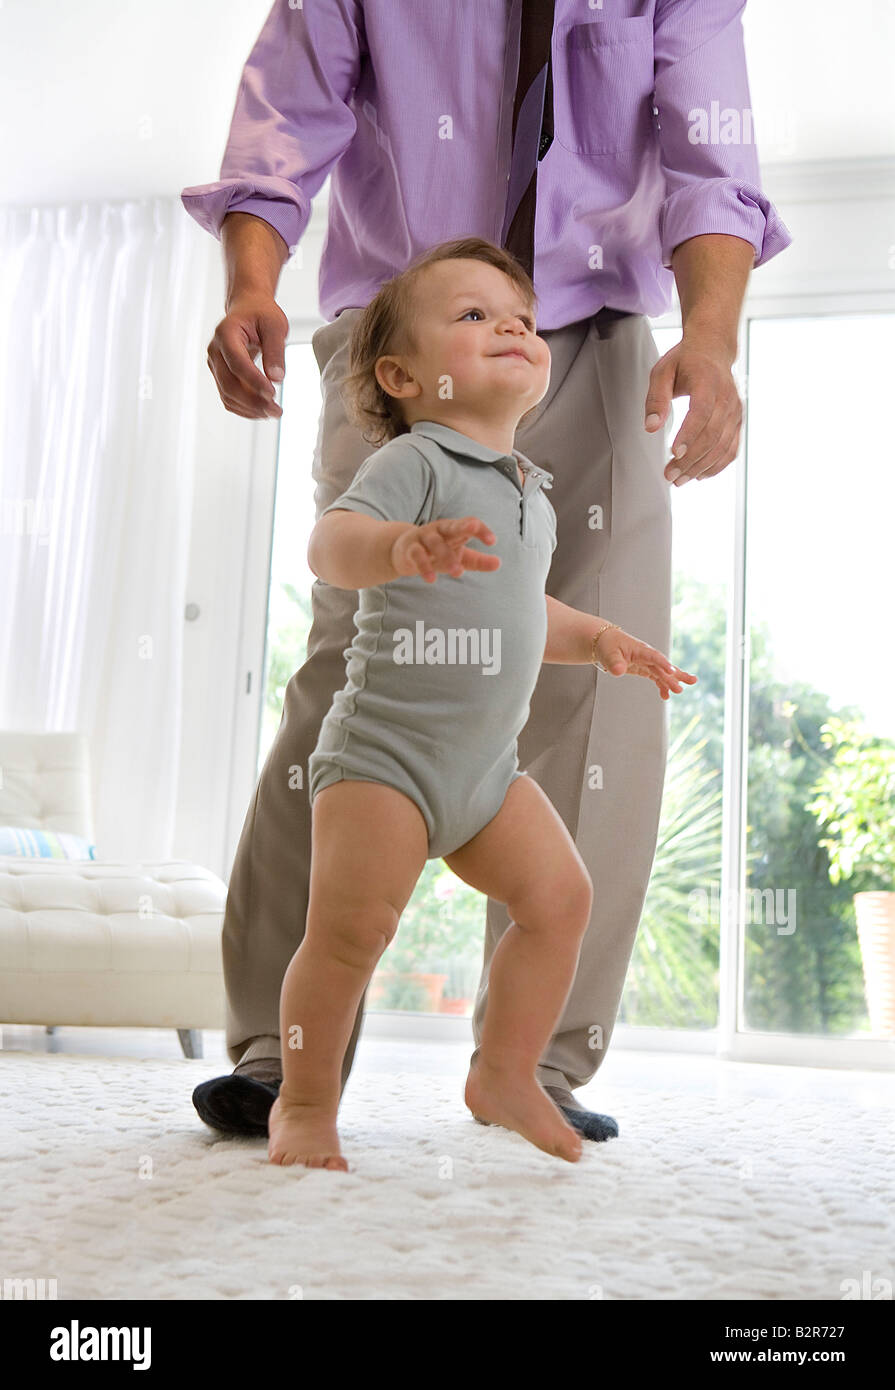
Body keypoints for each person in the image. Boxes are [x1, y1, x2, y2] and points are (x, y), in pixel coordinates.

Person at [182, 0, 791, 1142]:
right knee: (348, 657)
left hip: (598, 326)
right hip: (403, 329)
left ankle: (536, 1060)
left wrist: (707, 336)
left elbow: (716, 159)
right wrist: (250, 281)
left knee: (594, 693)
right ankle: (285, 1053)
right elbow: (283, 118)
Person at [268, 237, 697, 1169]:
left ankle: (504, 1072)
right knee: (350, 935)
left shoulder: (530, 498)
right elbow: (329, 543)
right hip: (383, 761)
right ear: (402, 375)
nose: (509, 325)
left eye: (522, 319)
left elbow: (521, 608)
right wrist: (397, 551)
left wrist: (598, 640)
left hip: (483, 777)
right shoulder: (416, 460)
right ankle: (302, 1104)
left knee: (560, 897)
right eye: (472, 316)